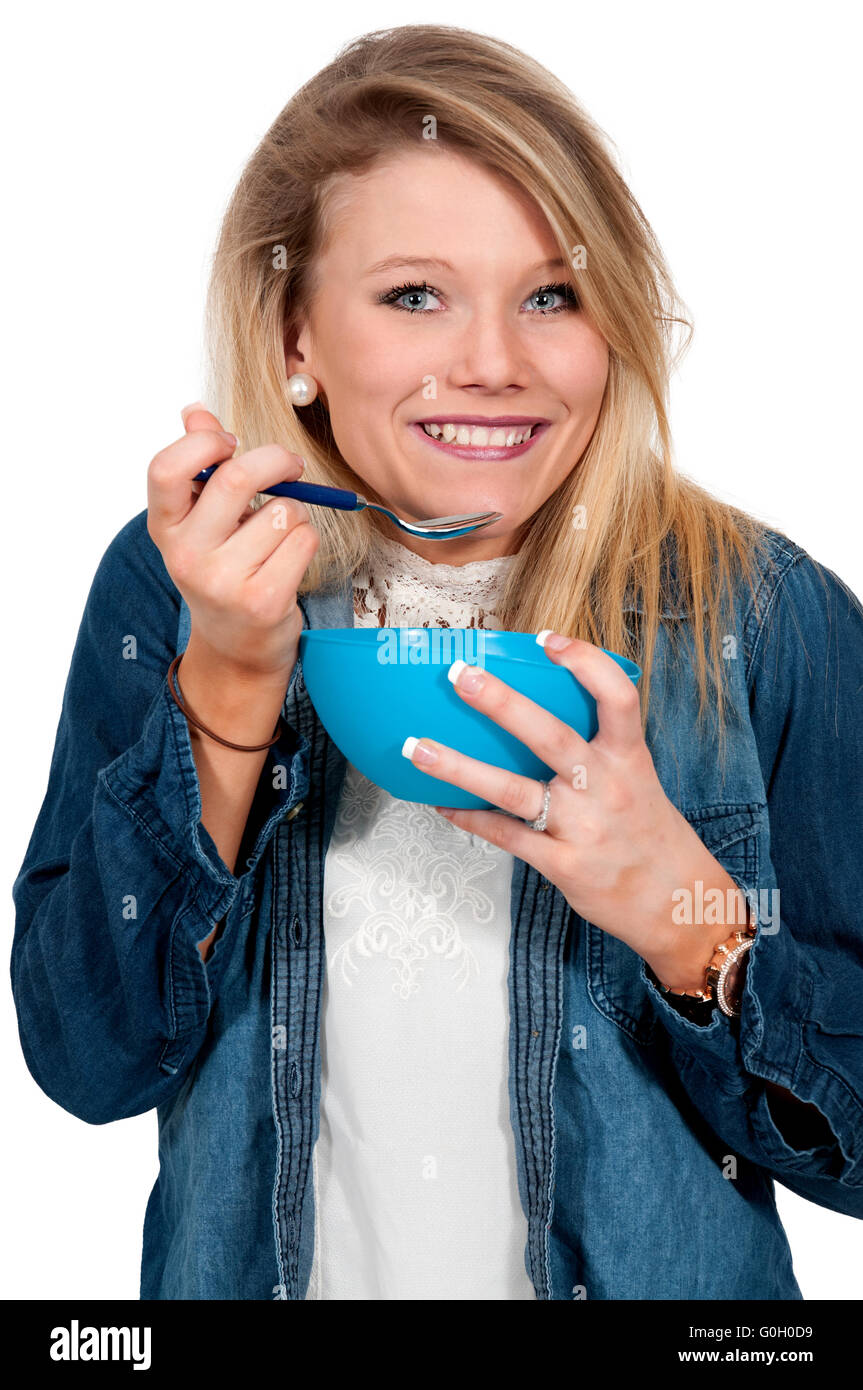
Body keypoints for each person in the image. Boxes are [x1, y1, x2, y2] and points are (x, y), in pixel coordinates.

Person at [11, 24, 863, 1301]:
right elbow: (88, 1058)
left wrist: (698, 927)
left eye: (551, 295)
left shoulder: (762, 614)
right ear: (294, 337)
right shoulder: (178, 580)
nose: (493, 364)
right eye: (414, 295)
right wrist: (229, 689)